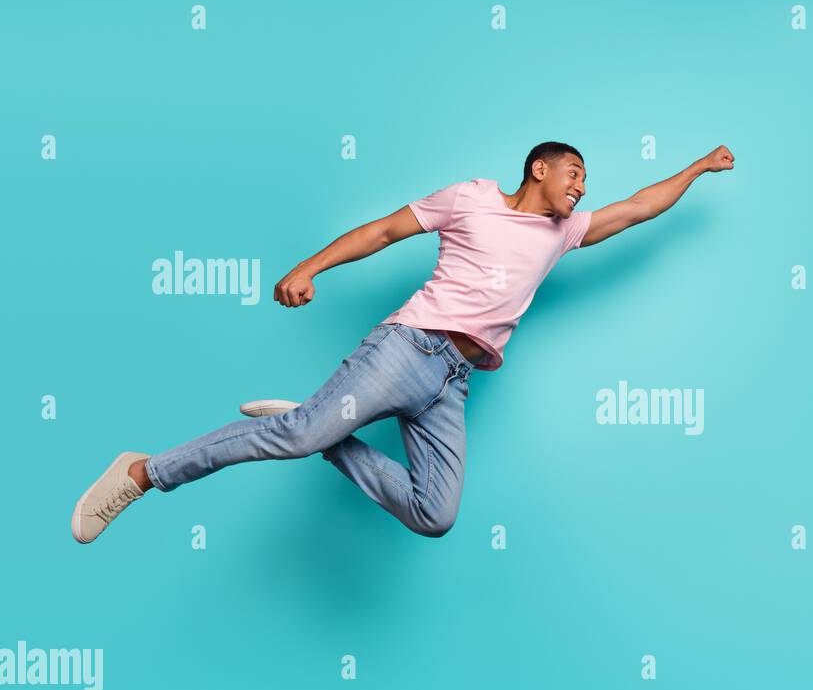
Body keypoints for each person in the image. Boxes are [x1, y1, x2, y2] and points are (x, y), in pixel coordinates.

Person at [71, 142, 736, 543]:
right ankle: (145, 472)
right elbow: (386, 232)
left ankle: (312, 427)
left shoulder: (564, 232)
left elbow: (641, 205)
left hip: (453, 382)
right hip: (408, 349)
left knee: (434, 513)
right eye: (574, 173)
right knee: (301, 437)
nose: (583, 187)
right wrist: (308, 267)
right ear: (539, 168)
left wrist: (700, 168)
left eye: (586, 181)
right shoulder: (471, 199)